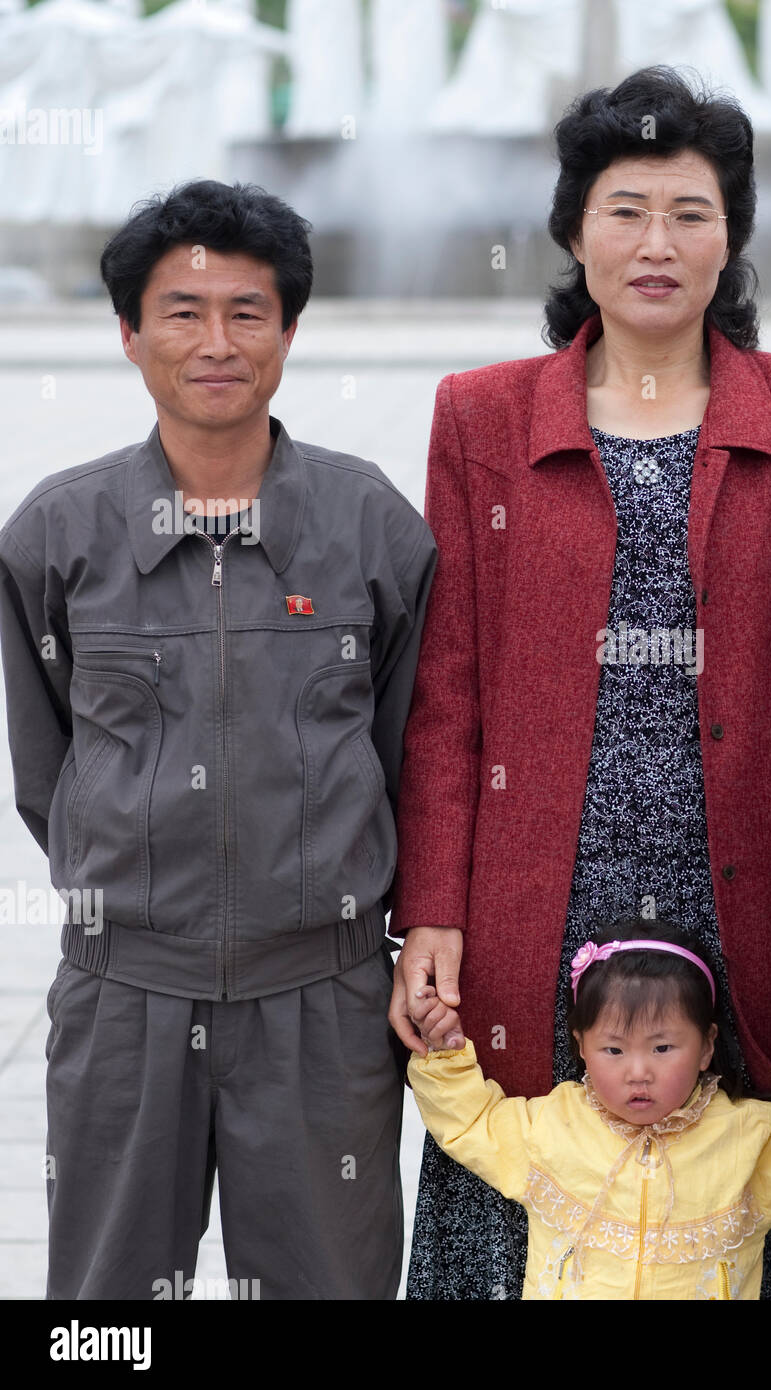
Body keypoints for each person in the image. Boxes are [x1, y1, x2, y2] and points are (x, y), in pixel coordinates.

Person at [389, 65, 771, 1300]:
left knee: (749, 1172)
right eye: (624, 210)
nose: (655, 244)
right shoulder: (483, 415)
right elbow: (448, 683)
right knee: (518, 1171)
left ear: (733, 236)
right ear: (572, 229)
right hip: (537, 873)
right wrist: (434, 907)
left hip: (744, 867)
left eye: (689, 212)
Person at [0, 180, 436, 1298]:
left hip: (321, 1001)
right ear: (130, 333)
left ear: (290, 330)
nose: (216, 341)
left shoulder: (369, 526)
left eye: (247, 311)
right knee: (103, 1307)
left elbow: (405, 750)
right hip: (124, 999)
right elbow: (48, 774)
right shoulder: (57, 533)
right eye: (182, 311)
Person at [407, 920, 771, 1299]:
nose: (638, 1072)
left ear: (707, 1045)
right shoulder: (554, 1125)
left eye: (662, 1048)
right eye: (614, 1049)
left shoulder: (750, 1137)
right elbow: (476, 1123)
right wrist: (445, 1054)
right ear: (582, 1045)